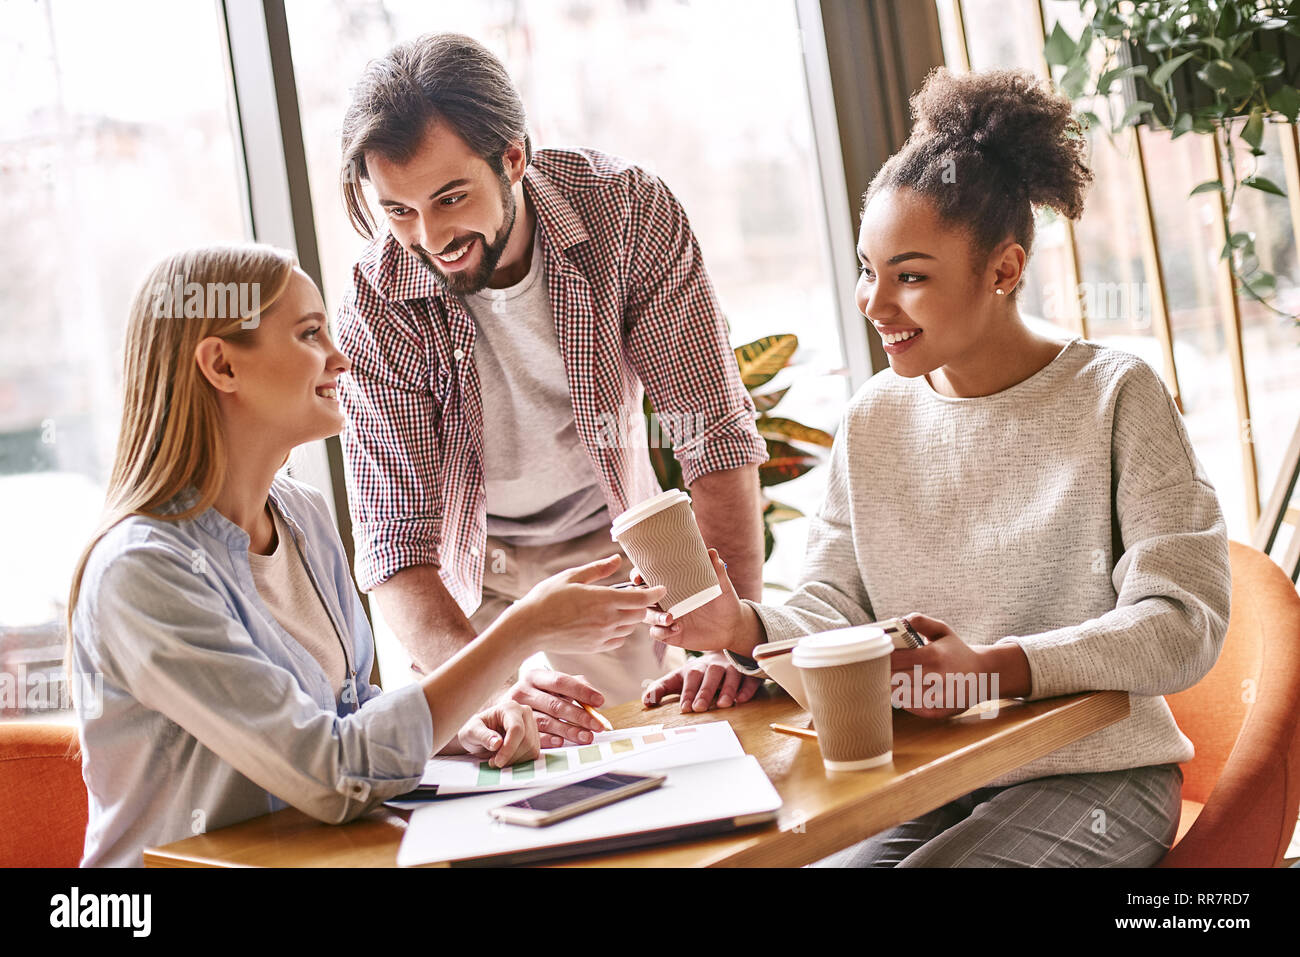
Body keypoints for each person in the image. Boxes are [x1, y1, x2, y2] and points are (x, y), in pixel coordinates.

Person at [643, 68, 1232, 867]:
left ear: (1004, 270)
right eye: (866, 268)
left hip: (1096, 776)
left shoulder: (1114, 395)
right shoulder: (875, 416)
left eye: (910, 276)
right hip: (933, 774)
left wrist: (995, 670)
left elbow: (1181, 623)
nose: (874, 303)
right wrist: (742, 628)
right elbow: (833, 601)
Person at [66, 244, 666, 867]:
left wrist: (459, 727)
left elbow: (347, 712)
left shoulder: (300, 515)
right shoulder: (142, 571)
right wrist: (521, 632)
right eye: (308, 334)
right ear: (221, 365)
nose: (340, 357)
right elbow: (331, 774)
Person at [333, 32, 769, 740]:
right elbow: (394, 543)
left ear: (512, 156)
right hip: (465, 579)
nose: (430, 237)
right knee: (505, 789)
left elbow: (711, 436)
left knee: (668, 778)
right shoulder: (377, 298)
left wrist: (730, 634)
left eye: (450, 197)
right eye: (398, 210)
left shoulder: (626, 210)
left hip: (618, 552)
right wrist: (483, 690)